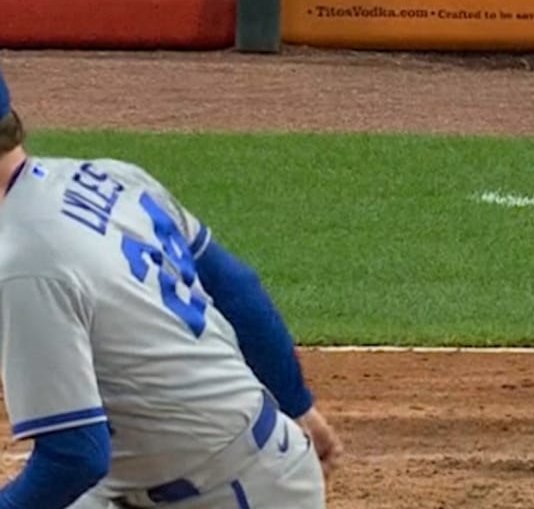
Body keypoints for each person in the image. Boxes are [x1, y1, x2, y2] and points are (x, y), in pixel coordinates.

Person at [0, 68, 340, 508]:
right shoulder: (108, 176)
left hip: (233, 493)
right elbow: (235, 288)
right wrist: (297, 405)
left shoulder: (25, 264)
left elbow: (74, 457)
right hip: (216, 461)